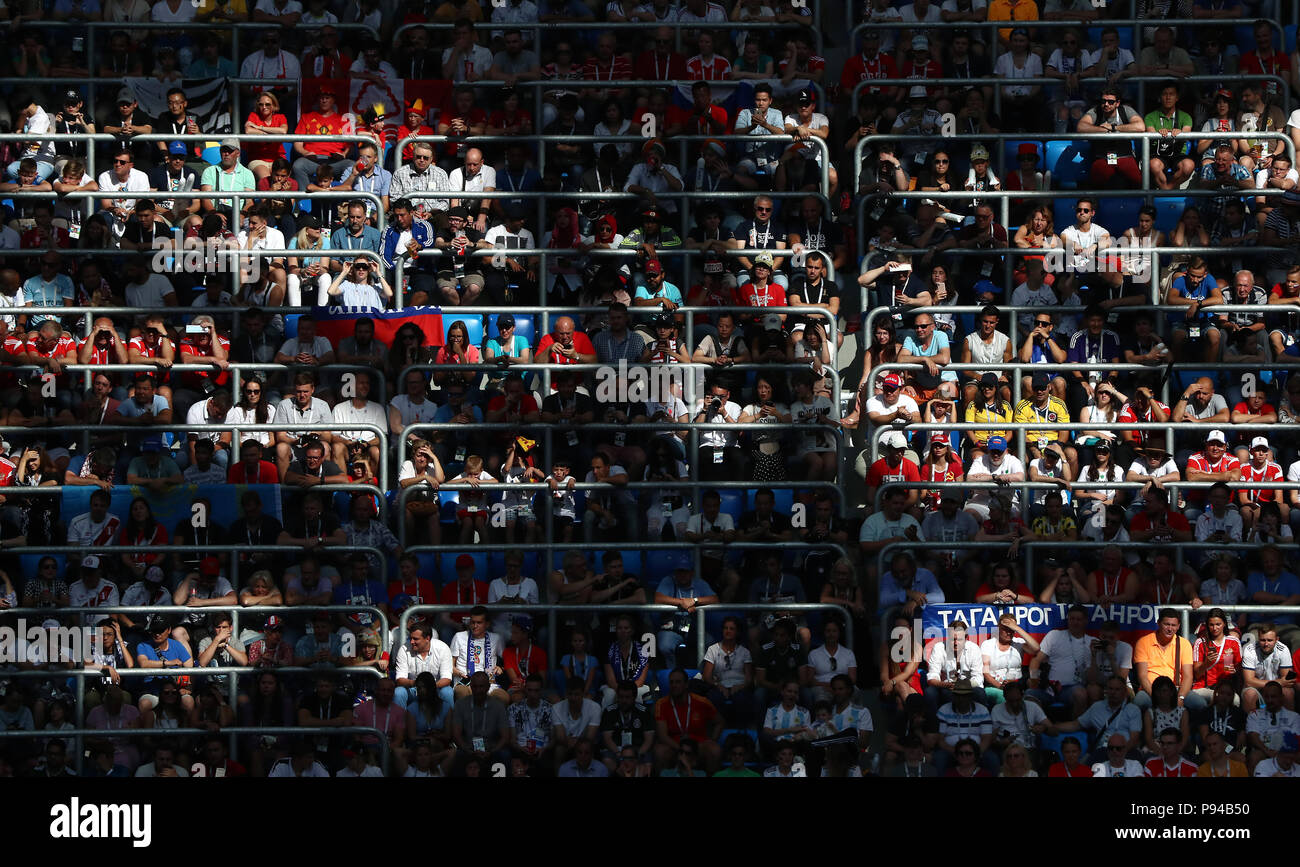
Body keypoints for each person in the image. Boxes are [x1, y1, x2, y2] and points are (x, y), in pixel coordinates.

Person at [1133, 608, 1202, 711]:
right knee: (1138, 703)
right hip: (1151, 689)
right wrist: (1155, 697)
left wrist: (1181, 697)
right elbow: (1142, 676)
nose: (1170, 629)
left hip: (1176, 689)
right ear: (1158, 623)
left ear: (1178, 626)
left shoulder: (1184, 643)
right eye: (1166, 624)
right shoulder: (1143, 642)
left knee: (1201, 704)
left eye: (1173, 625)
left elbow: (1188, 676)